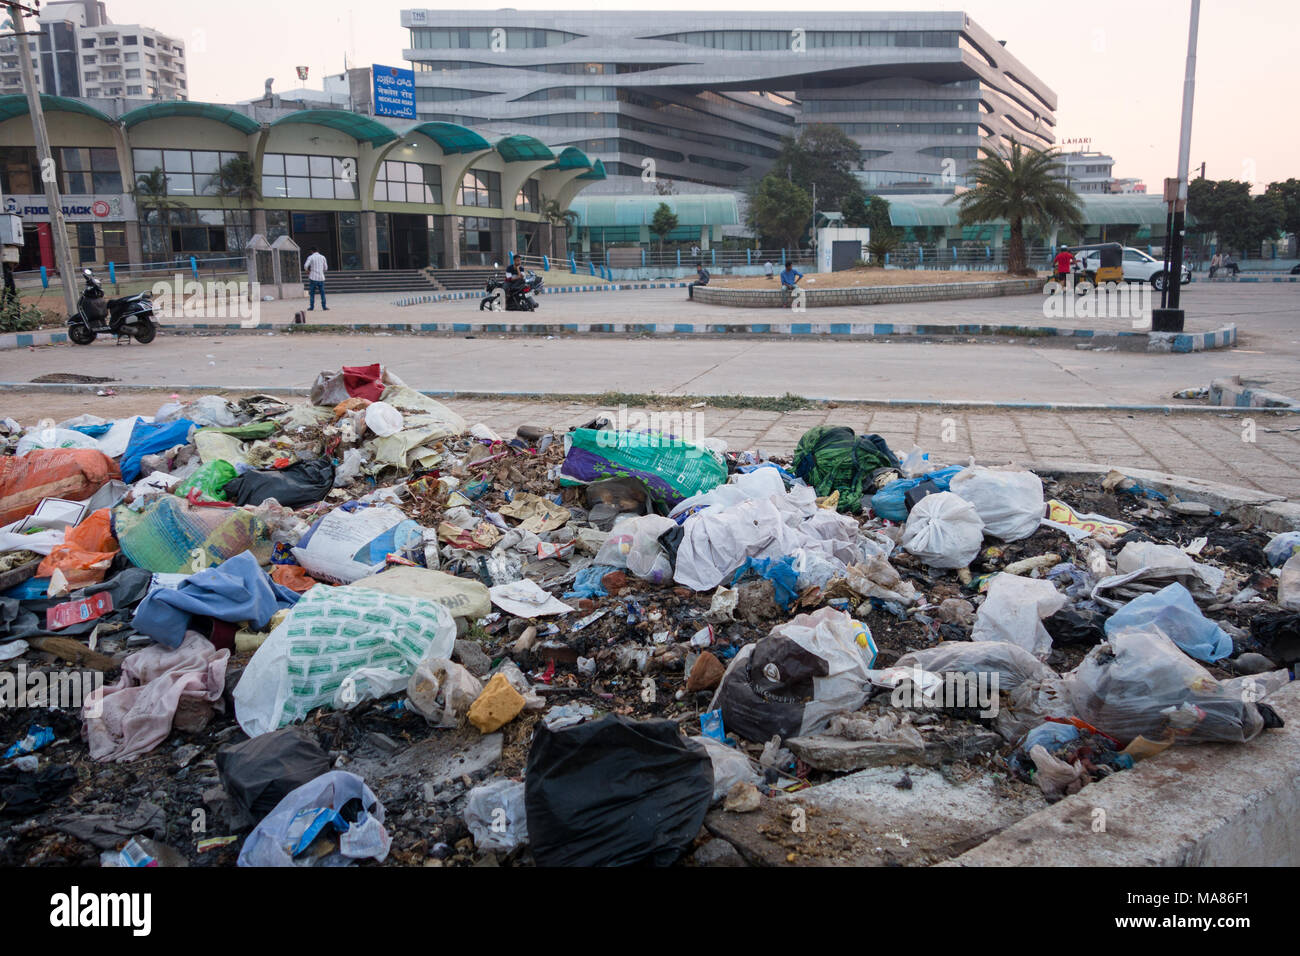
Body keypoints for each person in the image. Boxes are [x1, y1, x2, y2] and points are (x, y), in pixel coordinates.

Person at [304, 247, 328, 311]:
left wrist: (307, 271)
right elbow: (326, 268)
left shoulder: (310, 257)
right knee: (322, 293)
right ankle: (324, 306)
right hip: (321, 277)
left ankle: (311, 307)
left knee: (312, 293)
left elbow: (306, 266)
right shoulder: (323, 257)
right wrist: (321, 270)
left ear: (312, 251)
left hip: (313, 277)